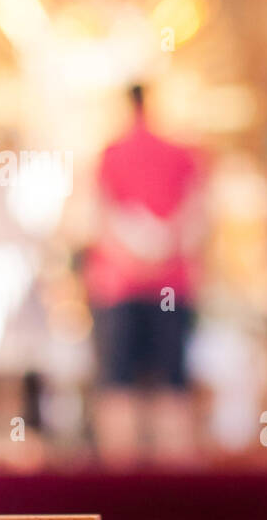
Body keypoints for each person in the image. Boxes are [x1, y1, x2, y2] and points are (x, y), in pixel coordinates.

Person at [83, 85, 205, 466]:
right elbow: (198, 214)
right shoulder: (183, 155)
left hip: (119, 286)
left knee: (118, 385)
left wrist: (131, 256)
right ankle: (174, 501)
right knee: (172, 384)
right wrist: (165, 249)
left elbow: (98, 215)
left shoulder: (111, 154)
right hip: (171, 285)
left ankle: (123, 500)